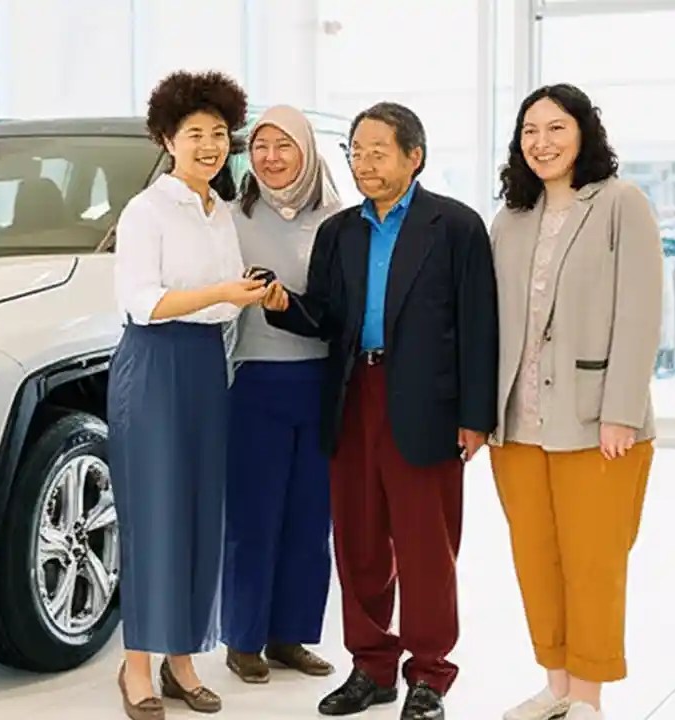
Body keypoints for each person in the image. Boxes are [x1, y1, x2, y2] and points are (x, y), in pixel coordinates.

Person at [260, 101, 498, 720]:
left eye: (377, 151)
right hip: (352, 396)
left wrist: (475, 416)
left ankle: (429, 674)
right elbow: (327, 320)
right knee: (359, 543)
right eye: (356, 152)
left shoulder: (457, 227)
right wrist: (283, 303)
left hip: (427, 401)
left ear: (413, 157)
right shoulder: (340, 232)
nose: (363, 164)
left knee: (426, 547)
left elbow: (480, 326)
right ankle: (371, 666)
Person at [488, 84, 662, 720]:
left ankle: (587, 697)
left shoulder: (621, 203)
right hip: (519, 422)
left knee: (593, 562)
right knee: (536, 558)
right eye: (530, 131)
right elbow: (491, 321)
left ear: (584, 133)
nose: (542, 142)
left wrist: (620, 407)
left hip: (597, 421)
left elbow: (641, 312)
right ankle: (556, 684)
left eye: (556, 128)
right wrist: (483, 415)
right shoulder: (509, 217)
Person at [108, 69, 262, 719]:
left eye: (219, 134)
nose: (208, 144)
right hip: (154, 367)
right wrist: (222, 295)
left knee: (201, 517)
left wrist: (247, 292)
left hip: (203, 366)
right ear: (167, 139)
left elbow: (223, 297)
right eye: (194, 133)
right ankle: (136, 667)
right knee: (155, 520)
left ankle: (182, 662)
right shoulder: (147, 211)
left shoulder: (217, 208)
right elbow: (144, 304)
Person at [221, 104, 343, 684]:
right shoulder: (230, 217)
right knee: (254, 514)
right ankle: (243, 638)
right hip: (256, 381)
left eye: (283, 146)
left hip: (320, 382)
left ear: (307, 152)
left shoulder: (339, 219)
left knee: (309, 517)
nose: (269, 158)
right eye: (261, 146)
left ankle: (289, 635)